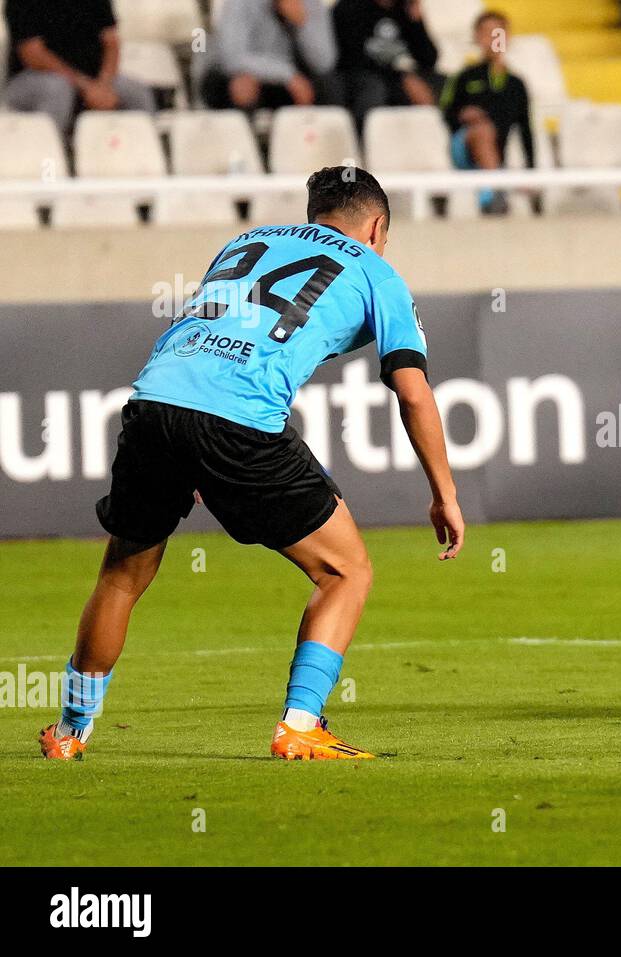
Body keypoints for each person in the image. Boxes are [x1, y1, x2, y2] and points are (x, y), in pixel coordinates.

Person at [38, 166, 466, 762]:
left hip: (154, 402)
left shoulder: (247, 241)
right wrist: (443, 491)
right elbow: (413, 391)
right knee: (346, 571)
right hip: (237, 420)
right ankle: (299, 725)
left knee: (122, 573)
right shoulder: (376, 270)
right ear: (376, 227)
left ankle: (68, 731)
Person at [3, 0, 155, 135]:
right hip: (32, 80)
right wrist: (86, 86)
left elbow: (111, 42)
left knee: (136, 92)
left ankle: (144, 158)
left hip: (94, 79)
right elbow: (33, 55)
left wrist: (104, 85)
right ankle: (49, 158)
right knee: (56, 88)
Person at [441, 10, 535, 213]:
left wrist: (531, 172)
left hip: (496, 155)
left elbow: (526, 128)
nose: (493, 38)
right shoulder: (464, 77)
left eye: (498, 33)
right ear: (477, 37)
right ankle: (493, 195)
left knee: (488, 133)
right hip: (465, 149)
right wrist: (463, 115)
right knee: (482, 130)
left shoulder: (516, 84)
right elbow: (446, 113)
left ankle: (493, 187)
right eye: (486, 33)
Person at [201, 0, 342, 112]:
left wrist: (302, 25)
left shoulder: (310, 3)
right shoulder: (240, 3)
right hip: (253, 74)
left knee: (329, 86)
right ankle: (246, 144)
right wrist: (288, 76)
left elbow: (325, 63)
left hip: (292, 81)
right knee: (242, 85)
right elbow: (233, 57)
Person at [333, 0, 442, 132]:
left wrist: (417, 22)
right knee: (374, 89)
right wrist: (401, 78)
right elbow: (353, 60)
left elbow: (429, 60)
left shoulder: (404, 8)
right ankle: (365, 142)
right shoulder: (349, 8)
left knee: (442, 84)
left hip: (399, 75)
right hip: (362, 76)